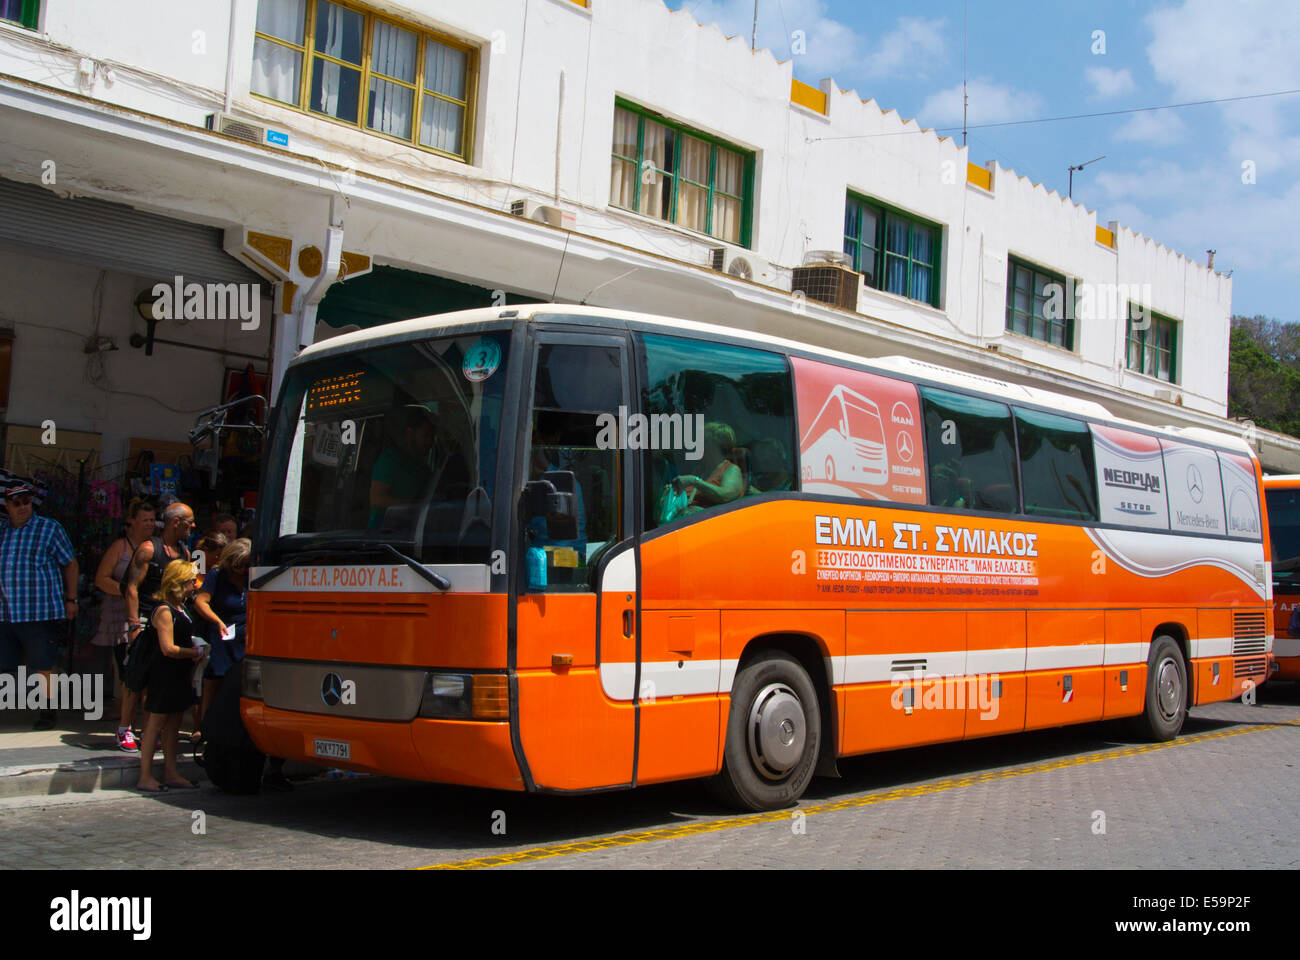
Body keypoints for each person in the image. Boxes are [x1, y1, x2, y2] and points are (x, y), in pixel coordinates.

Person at [0, 482, 78, 730]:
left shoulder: (49, 528)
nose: (23, 507)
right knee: (4, 665)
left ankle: (48, 710)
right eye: (17, 503)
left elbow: (70, 563)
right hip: (5, 611)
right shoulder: (2, 531)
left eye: (27, 502)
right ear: (7, 506)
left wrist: (71, 599)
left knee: (44, 664)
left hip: (39, 611)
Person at [91, 497, 156, 750]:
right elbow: (101, 578)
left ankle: (143, 727)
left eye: (153, 520)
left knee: (145, 672)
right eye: (145, 520)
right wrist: (128, 591)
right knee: (127, 668)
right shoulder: (121, 546)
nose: (150, 524)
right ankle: (124, 724)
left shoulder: (154, 547)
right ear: (132, 522)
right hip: (120, 613)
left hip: (147, 614)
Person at [122, 502, 195, 728]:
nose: (192, 527)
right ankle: (125, 727)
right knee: (136, 676)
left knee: (157, 677)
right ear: (176, 522)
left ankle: (149, 729)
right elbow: (131, 587)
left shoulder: (184, 552)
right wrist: (134, 625)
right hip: (145, 617)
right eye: (189, 523)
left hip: (168, 618)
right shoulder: (149, 549)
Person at [136, 559, 205, 793]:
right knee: (155, 724)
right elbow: (168, 648)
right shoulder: (164, 610)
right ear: (179, 583)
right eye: (189, 581)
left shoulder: (181, 608)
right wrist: (194, 652)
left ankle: (171, 771)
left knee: (174, 724)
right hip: (164, 673)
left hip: (179, 673)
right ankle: (145, 775)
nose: (193, 585)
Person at [193, 538, 249, 730]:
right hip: (222, 634)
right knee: (214, 682)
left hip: (246, 635)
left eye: (246, 565)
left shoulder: (253, 576)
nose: (242, 570)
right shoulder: (217, 575)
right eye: (238, 565)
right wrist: (217, 621)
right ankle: (205, 727)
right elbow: (201, 601)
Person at [368, 408, 436, 528]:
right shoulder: (390, 460)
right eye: (425, 435)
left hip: (411, 537)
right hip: (381, 537)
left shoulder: (425, 471)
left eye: (432, 437)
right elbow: (377, 500)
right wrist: (416, 507)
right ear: (410, 434)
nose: (430, 442)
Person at [671, 421, 744, 516]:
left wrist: (694, 481)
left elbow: (726, 495)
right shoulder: (699, 470)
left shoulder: (731, 469)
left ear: (713, 446)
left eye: (701, 442)